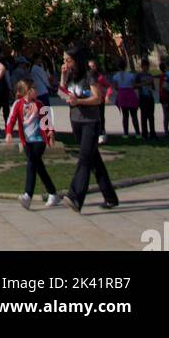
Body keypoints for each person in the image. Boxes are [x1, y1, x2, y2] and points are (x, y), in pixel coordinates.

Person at [59, 44, 119, 213]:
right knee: (94, 161)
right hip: (76, 121)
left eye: (68, 60)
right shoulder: (70, 75)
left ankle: (75, 197)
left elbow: (98, 98)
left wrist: (79, 102)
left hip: (90, 123)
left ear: (76, 60)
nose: (65, 63)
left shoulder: (89, 75)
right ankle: (110, 198)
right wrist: (63, 76)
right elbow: (62, 94)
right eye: (64, 60)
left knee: (85, 159)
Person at [5, 77, 61, 210]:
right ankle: (53, 193)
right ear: (28, 91)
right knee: (38, 167)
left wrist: (51, 133)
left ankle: (27, 196)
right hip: (27, 141)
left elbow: (47, 122)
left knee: (31, 163)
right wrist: (8, 133)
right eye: (34, 88)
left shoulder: (40, 104)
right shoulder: (18, 104)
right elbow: (11, 119)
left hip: (39, 141)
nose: (37, 90)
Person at [112, 58, 141, 138]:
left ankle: (126, 133)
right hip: (130, 93)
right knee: (134, 115)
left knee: (125, 116)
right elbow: (133, 85)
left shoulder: (116, 76)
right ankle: (138, 133)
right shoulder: (131, 75)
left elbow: (115, 87)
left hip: (122, 94)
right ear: (125, 66)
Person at [88, 56, 112, 144]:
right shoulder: (86, 76)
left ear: (96, 66)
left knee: (100, 117)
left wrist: (107, 96)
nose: (92, 68)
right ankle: (92, 134)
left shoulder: (100, 77)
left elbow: (109, 86)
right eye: (90, 67)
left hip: (99, 100)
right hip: (89, 100)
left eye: (93, 66)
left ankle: (101, 133)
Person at [138, 58, 157, 143]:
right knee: (144, 116)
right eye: (144, 67)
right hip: (142, 97)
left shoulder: (150, 75)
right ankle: (144, 133)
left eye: (147, 67)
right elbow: (134, 85)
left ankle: (152, 133)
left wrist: (151, 84)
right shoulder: (139, 75)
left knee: (151, 116)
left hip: (149, 97)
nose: (146, 68)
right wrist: (144, 84)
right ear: (142, 67)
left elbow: (153, 87)